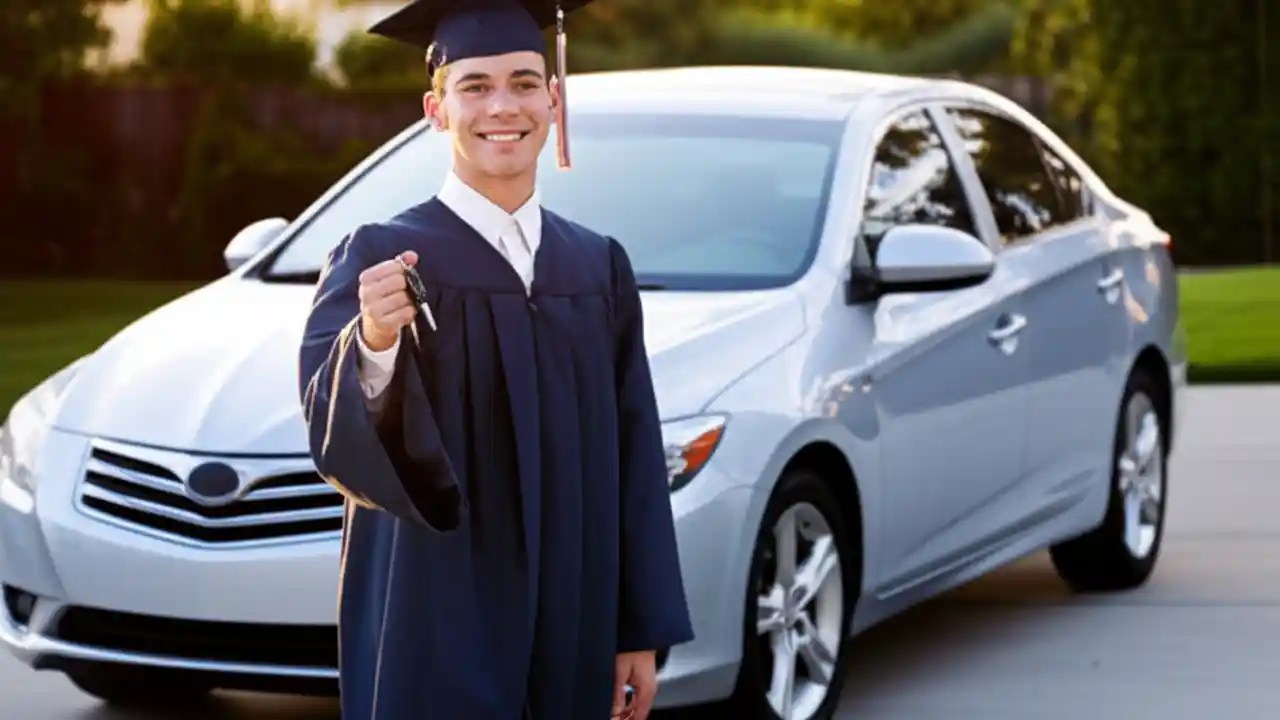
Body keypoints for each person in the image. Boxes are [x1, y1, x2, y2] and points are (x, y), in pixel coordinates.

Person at [296, 1, 694, 718]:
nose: (501, 106)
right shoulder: (379, 256)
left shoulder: (596, 267)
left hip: (574, 615)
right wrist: (377, 346)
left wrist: (639, 628)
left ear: (554, 99)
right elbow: (331, 437)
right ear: (435, 110)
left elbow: (633, 457)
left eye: (521, 82)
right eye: (474, 86)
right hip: (437, 615)